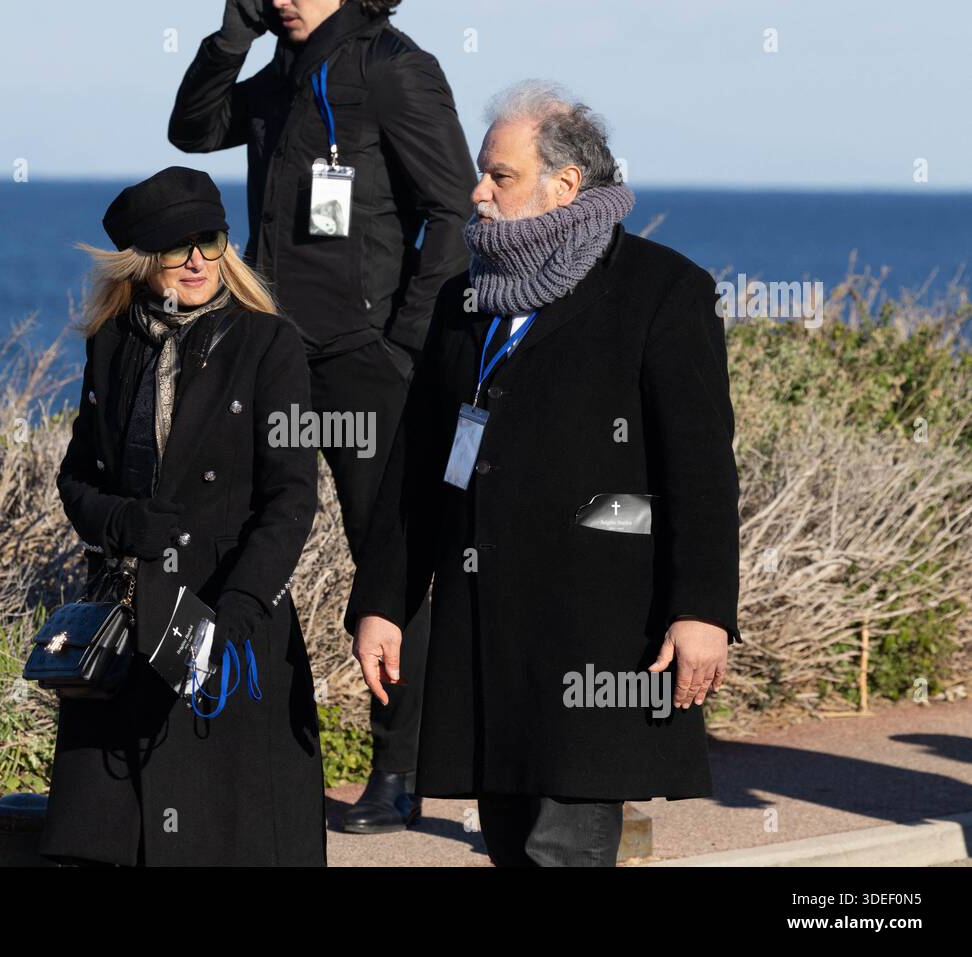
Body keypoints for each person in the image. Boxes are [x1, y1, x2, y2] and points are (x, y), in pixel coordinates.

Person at [345, 80, 743, 866]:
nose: (477, 191)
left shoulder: (661, 290)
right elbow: (418, 468)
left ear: (564, 186)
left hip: (600, 632)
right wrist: (384, 603)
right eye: (481, 173)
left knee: (565, 846)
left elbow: (700, 468)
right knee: (509, 845)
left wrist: (702, 610)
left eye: (500, 175)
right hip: (485, 630)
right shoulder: (466, 300)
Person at [169, 0, 477, 833]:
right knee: (227, 531)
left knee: (390, 552)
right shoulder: (282, 74)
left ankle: (400, 768)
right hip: (270, 352)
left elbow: (455, 214)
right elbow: (192, 131)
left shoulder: (393, 68)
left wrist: (403, 346)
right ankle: (220, 744)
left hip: (365, 364)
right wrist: (235, 32)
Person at [38, 166, 325, 866]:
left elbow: (292, 496)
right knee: (101, 835)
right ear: (143, 259)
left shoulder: (269, 345)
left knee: (222, 839)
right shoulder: (110, 344)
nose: (197, 259)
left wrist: (237, 612)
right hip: (123, 624)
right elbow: (76, 477)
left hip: (227, 625)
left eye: (210, 239)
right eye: (176, 246)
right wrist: (122, 524)